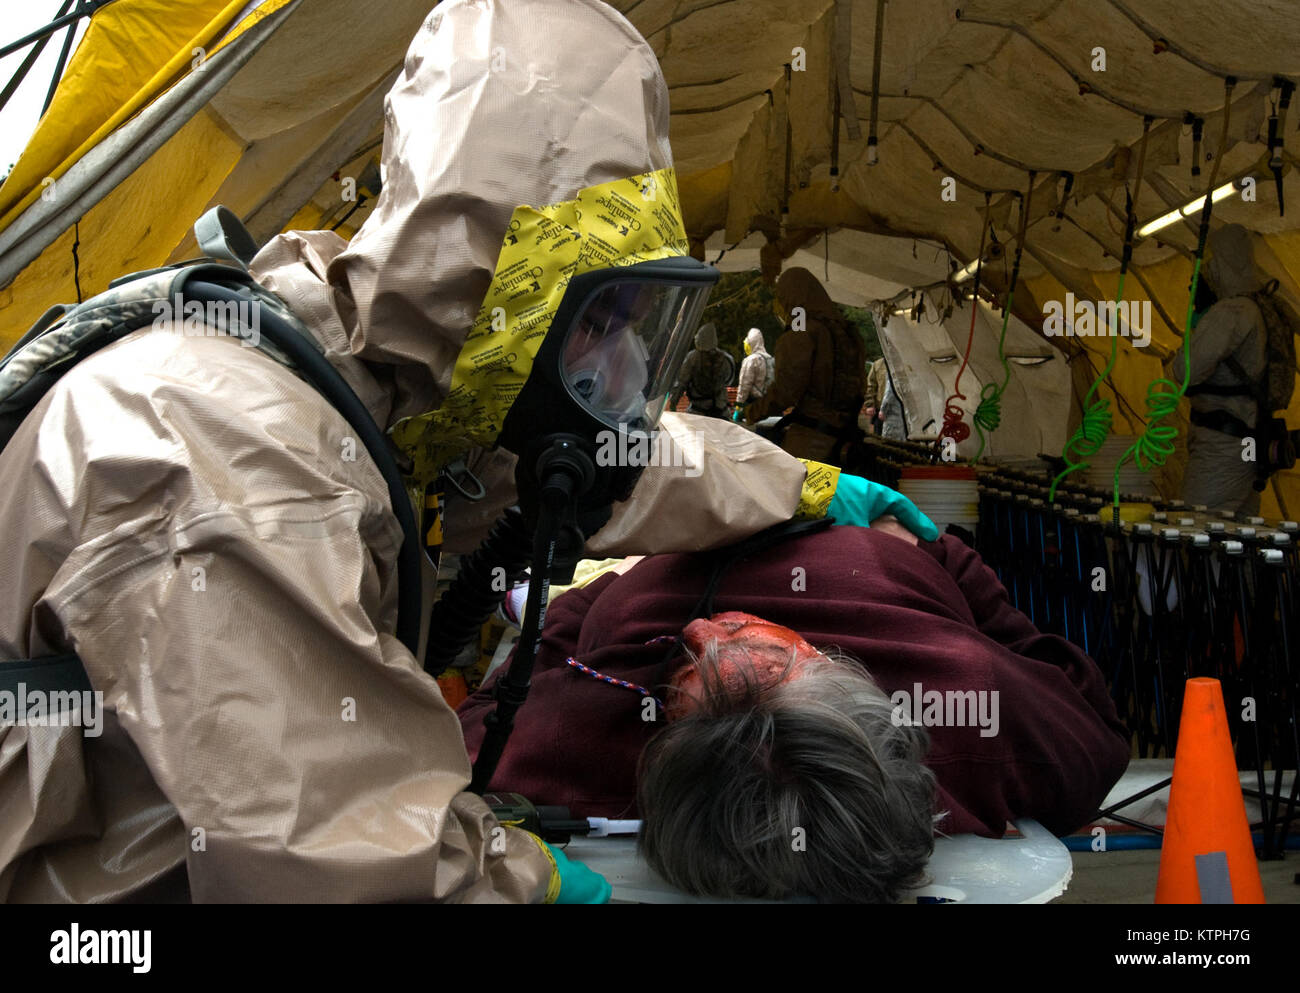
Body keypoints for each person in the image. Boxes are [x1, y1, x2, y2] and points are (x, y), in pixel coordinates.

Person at [0, 0, 846, 905]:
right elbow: (338, 856)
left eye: (634, 323)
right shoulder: (220, 455)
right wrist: (531, 886)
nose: (624, 367)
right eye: (599, 319)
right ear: (499, 292)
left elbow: (605, 468)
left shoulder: (392, 395)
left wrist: (804, 484)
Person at [459, 516, 1130, 903]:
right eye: (760, 662)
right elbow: (1096, 718)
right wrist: (936, 553)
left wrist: (587, 605)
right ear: (832, 661)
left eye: (684, 684)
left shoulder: (573, 733)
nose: (697, 630)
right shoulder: (980, 696)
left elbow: (473, 722)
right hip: (877, 546)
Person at [1173, 223, 1268, 515]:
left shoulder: (1231, 311)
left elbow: (1184, 371)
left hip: (1223, 448)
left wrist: (1202, 320)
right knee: (1238, 538)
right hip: (1248, 440)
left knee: (1196, 531)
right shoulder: (1259, 305)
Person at [752, 268, 867, 463]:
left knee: (792, 489)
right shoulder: (845, 330)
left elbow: (787, 389)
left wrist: (753, 412)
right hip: (846, 436)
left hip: (811, 439)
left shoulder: (801, 329)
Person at [670, 322, 735, 417]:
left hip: (698, 412)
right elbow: (728, 380)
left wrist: (673, 402)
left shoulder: (692, 357)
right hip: (721, 411)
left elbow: (682, 382)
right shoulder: (726, 358)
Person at [735, 326, 775, 421]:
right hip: (769, 405)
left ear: (751, 343)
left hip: (753, 406)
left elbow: (744, 385)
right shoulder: (770, 358)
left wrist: (738, 406)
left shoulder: (751, 360)